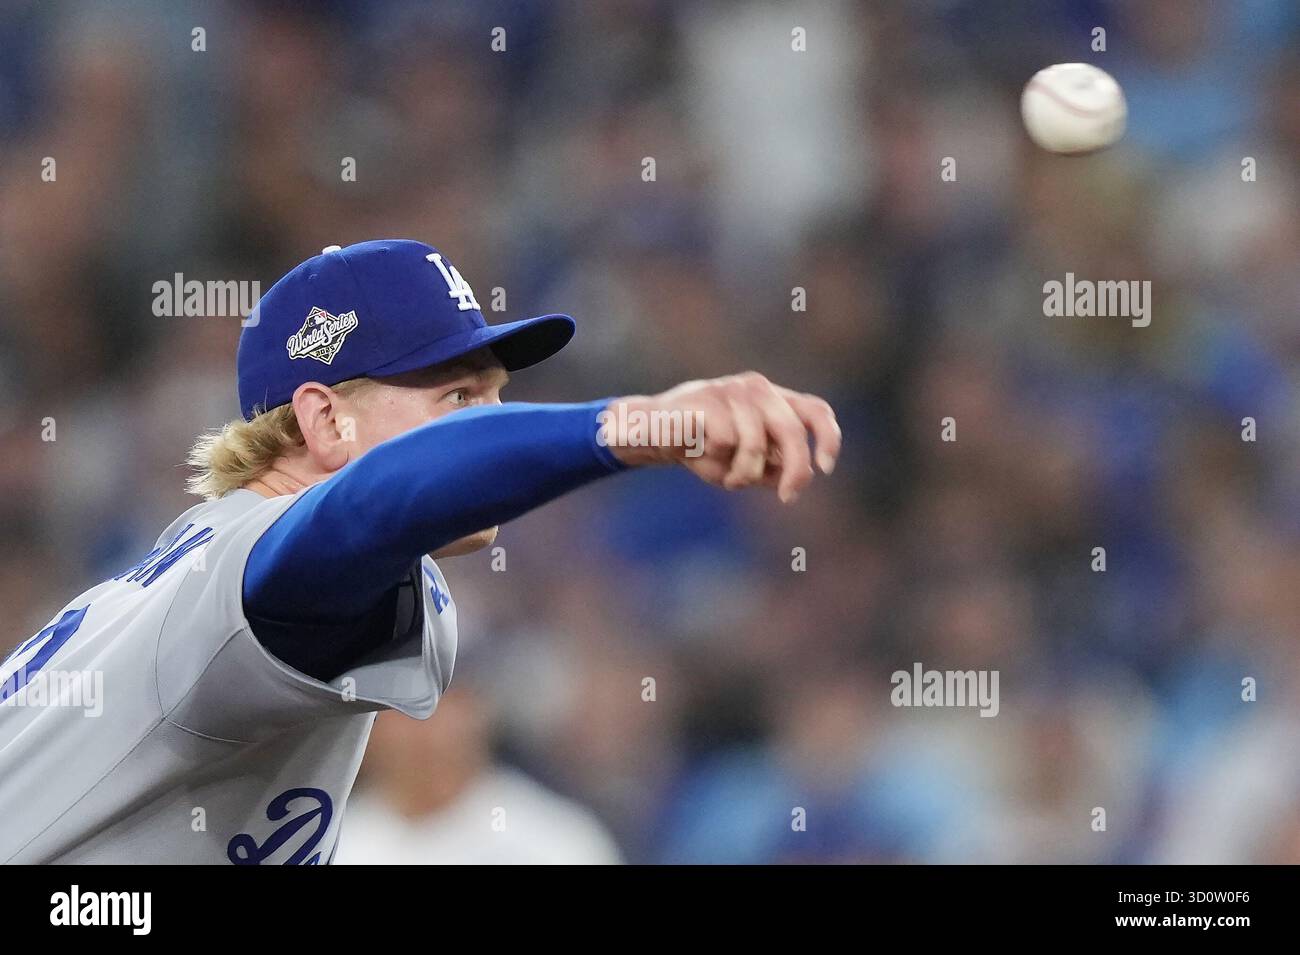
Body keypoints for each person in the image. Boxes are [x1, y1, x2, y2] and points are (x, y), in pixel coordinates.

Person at [0, 239, 840, 864]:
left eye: (497, 396)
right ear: (326, 420)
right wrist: (631, 426)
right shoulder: (251, 567)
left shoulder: (183, 573)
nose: (491, 422)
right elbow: (378, 499)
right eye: (459, 397)